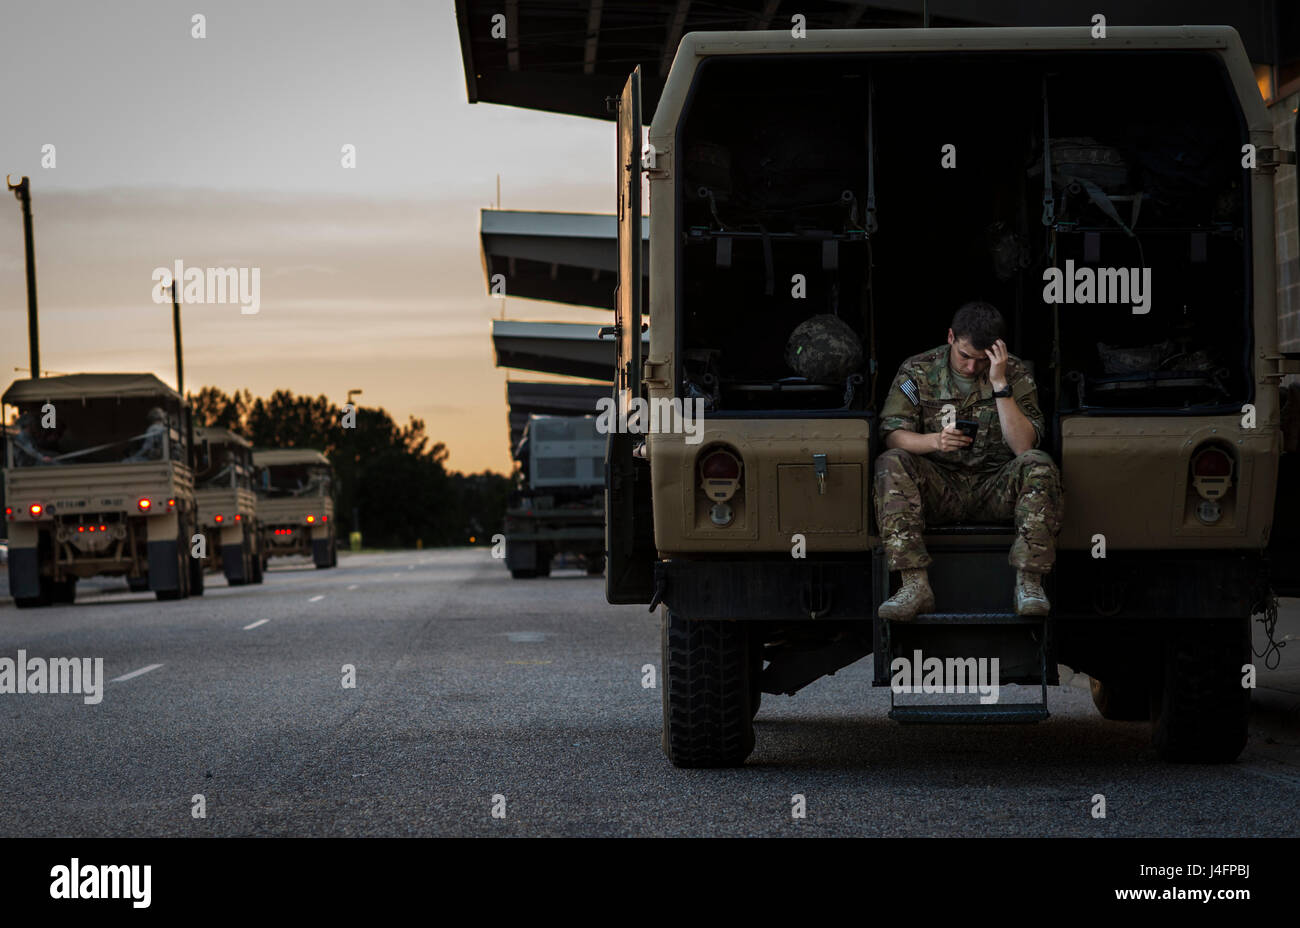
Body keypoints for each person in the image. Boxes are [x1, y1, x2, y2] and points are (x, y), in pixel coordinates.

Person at [874, 301, 1064, 620]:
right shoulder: (919, 369)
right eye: (965, 356)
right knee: (891, 462)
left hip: (995, 487)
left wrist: (1000, 384)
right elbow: (893, 433)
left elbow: (1023, 446)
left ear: (997, 350)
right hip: (940, 487)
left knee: (1039, 464)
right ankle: (913, 584)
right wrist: (934, 441)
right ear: (951, 337)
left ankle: (1029, 582)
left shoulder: (1014, 373)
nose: (972, 367)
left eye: (981, 359)